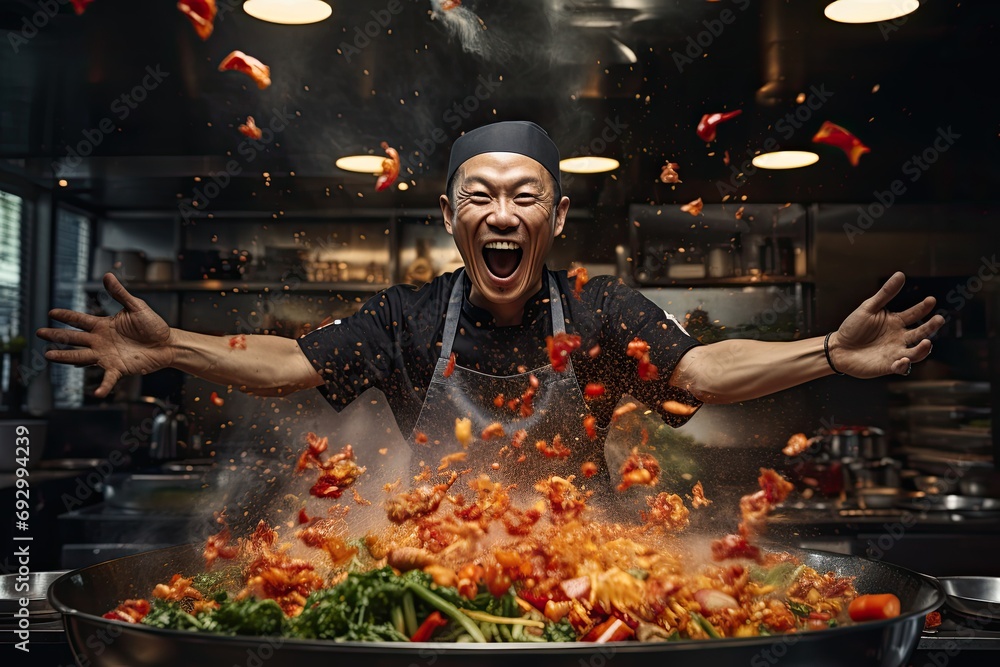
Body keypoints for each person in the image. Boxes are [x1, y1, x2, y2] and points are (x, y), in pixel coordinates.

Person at [37, 121, 943, 475]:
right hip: (432, 562)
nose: (500, 213)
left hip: (591, 581)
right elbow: (289, 363)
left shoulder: (601, 308)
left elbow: (702, 369)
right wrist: (170, 346)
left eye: (524, 195)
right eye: (480, 195)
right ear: (448, 215)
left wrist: (829, 350)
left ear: (553, 213)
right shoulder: (404, 316)